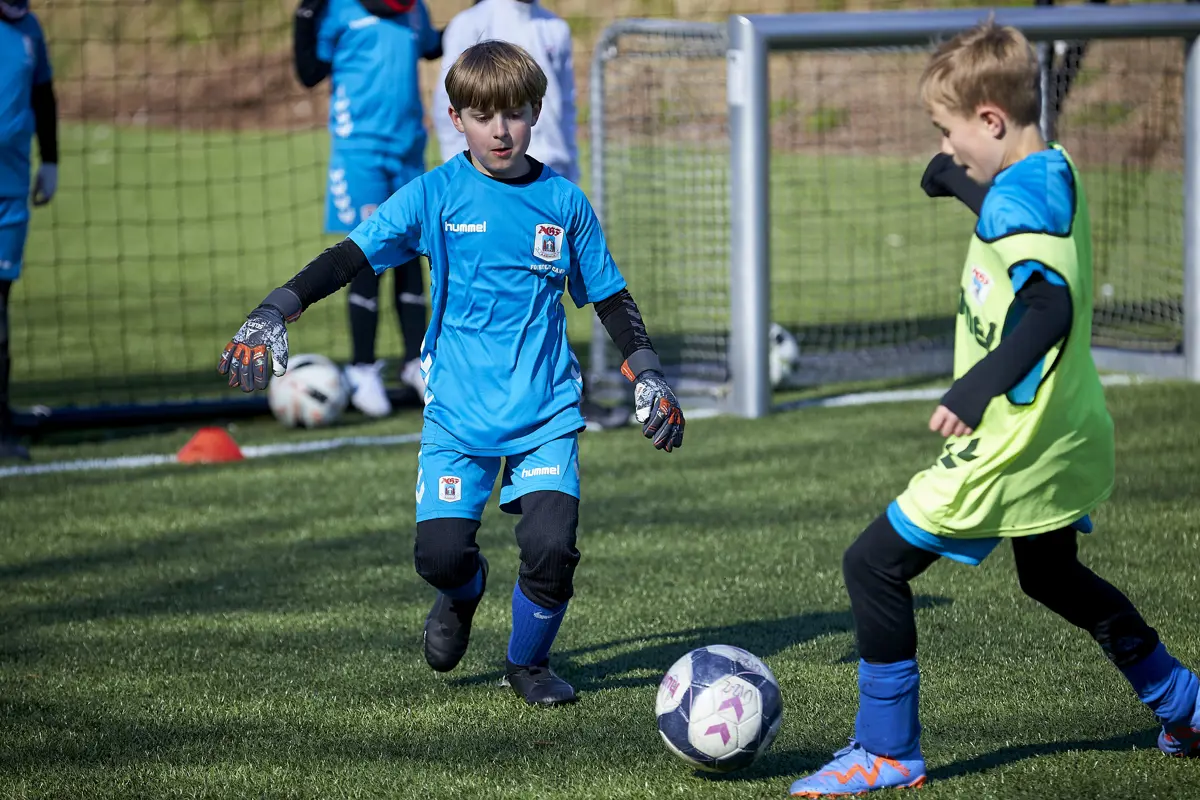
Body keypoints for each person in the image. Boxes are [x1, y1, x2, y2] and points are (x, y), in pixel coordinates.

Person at [789, 20, 1199, 796]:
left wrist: (974, 389)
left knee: (872, 563)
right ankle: (1186, 703)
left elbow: (1049, 308)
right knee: (1051, 577)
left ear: (991, 119)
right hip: (1067, 433)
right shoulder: (1053, 167)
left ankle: (888, 749)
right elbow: (1015, 214)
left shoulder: (1019, 199)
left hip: (1010, 441)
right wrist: (958, 184)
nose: (946, 147)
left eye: (949, 134)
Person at [220, 41, 685, 706]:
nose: (501, 130)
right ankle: (462, 595)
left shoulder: (564, 202)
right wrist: (275, 309)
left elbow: (610, 298)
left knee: (552, 549)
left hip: (545, 410)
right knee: (438, 556)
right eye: (482, 115)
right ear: (456, 118)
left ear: (536, 114)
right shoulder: (434, 195)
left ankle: (527, 665)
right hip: (457, 416)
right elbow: (350, 257)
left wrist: (650, 376)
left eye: (516, 114)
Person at [432, 0, 632, 432]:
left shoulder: (554, 28)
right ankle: (467, 402)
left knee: (548, 300)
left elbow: (564, 105)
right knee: (495, 300)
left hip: (548, 179)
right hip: (491, 183)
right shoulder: (470, 24)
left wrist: (570, 173)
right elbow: (447, 107)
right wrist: (467, 183)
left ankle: (561, 399)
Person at [292, 0, 442, 416]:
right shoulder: (338, 10)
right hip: (361, 153)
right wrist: (304, 18)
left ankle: (415, 361)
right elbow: (309, 73)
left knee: (413, 253)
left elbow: (432, 47)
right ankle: (362, 368)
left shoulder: (415, 9)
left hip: (409, 149)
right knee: (367, 254)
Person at [0, 0, 57, 462]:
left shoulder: (30, 28)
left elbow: (43, 94)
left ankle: (1, 419)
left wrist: (51, 160)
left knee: (0, 303)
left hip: (13, 187)